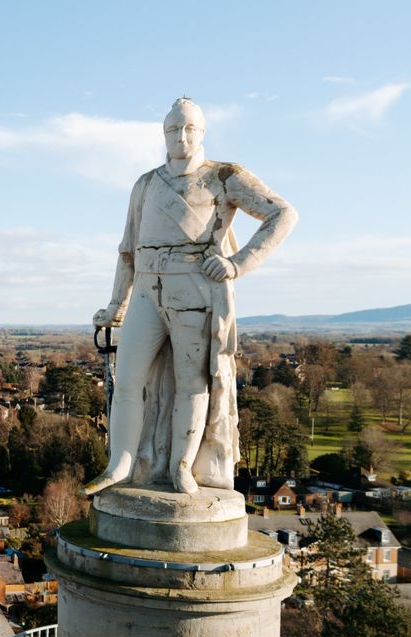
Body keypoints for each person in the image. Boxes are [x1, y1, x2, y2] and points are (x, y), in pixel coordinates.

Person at [85, 98, 297, 496]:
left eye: (189, 129)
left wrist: (238, 263)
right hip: (147, 288)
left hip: (193, 289)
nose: (180, 137)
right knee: (128, 379)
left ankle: (183, 465)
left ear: (202, 132)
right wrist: (117, 305)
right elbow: (128, 250)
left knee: (192, 384)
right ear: (163, 134)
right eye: (172, 129)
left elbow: (283, 214)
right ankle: (120, 464)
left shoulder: (223, 175)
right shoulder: (145, 183)